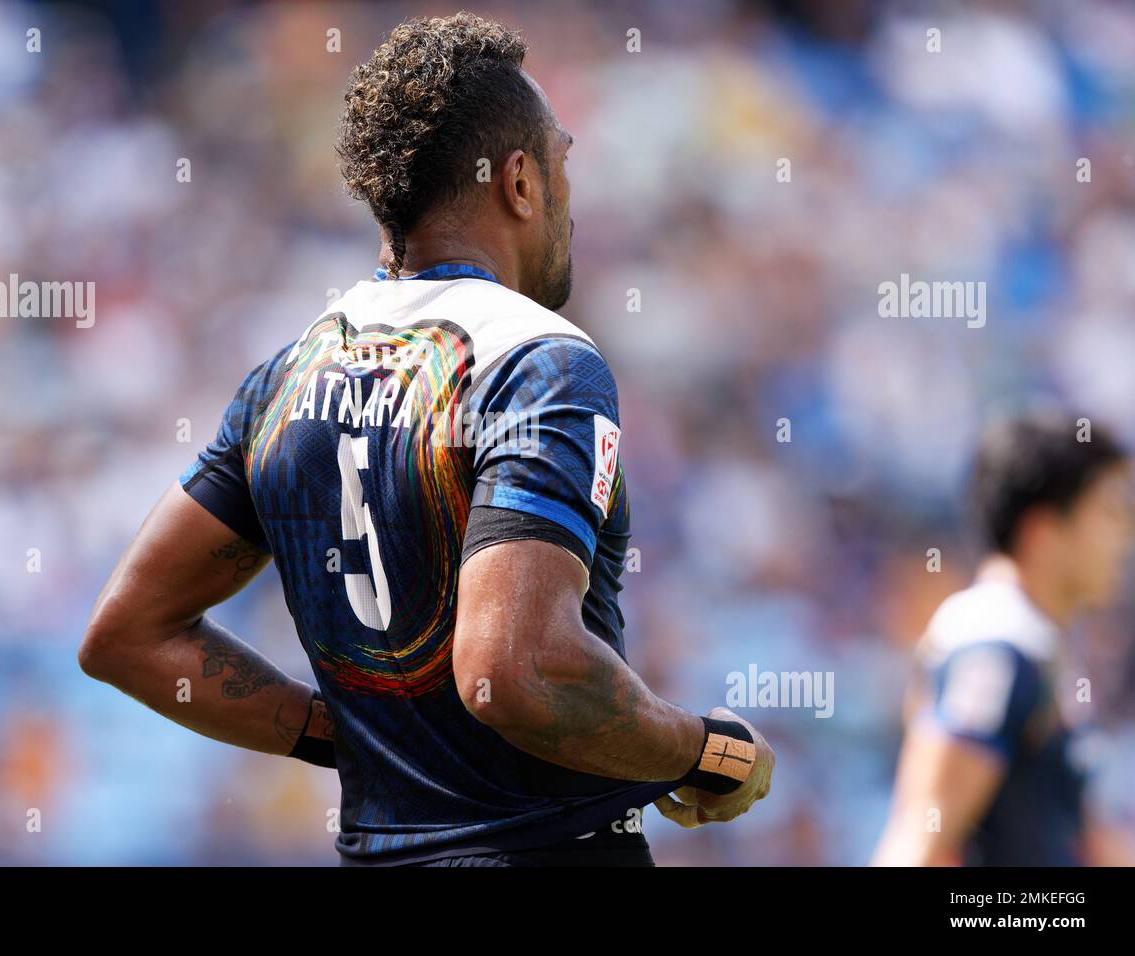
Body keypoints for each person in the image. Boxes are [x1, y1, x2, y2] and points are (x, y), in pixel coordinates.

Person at [79, 12, 772, 867]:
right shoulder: (539, 359)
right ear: (518, 183)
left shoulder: (286, 376)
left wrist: (349, 737)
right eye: (561, 166)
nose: (569, 200)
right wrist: (704, 748)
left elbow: (127, 634)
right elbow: (514, 671)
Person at [873, 412, 1135, 865]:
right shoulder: (994, 647)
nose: (1125, 537)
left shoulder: (1036, 645)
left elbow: (1084, 835)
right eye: (1109, 513)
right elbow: (920, 841)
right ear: (1044, 530)